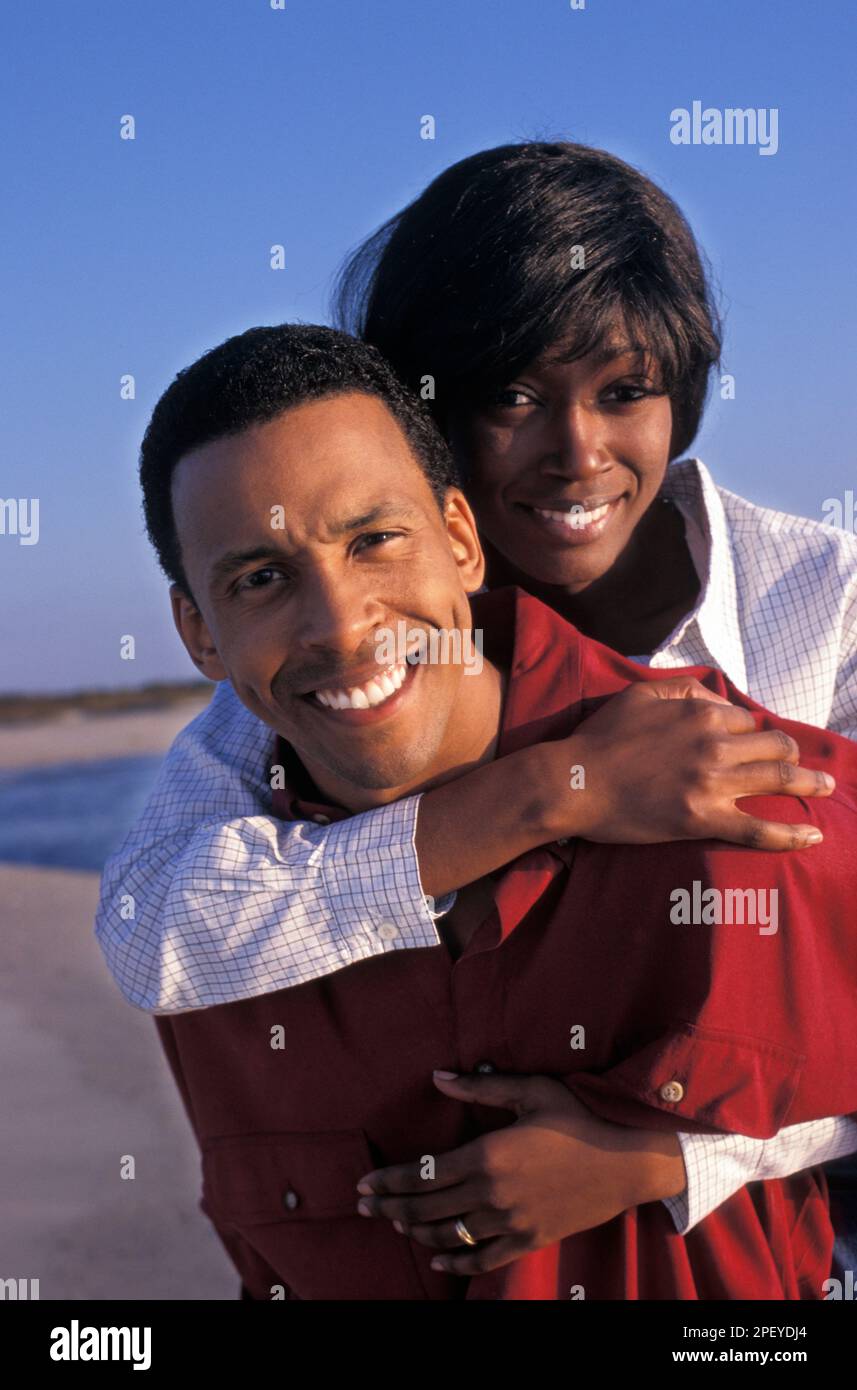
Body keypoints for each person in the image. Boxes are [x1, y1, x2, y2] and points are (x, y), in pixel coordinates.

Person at [96, 143, 857, 1251]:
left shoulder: (823, 601)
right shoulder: (367, 639)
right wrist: (553, 793)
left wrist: (663, 1159)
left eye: (625, 392)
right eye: (511, 396)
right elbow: (156, 925)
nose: (576, 454)